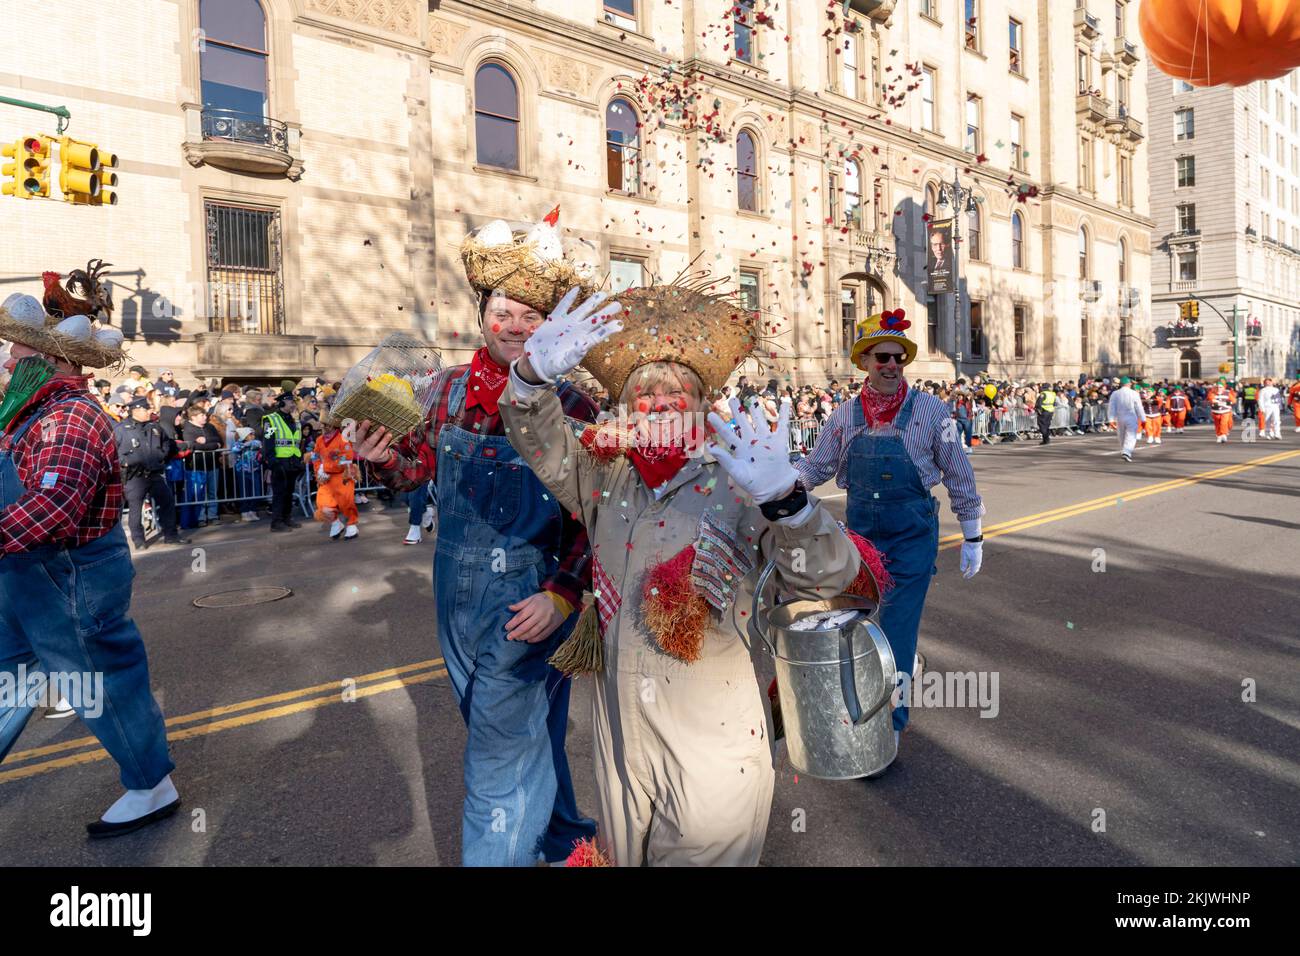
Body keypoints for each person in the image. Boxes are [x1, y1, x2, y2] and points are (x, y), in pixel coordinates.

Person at [500, 282, 861, 866]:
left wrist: (788, 501)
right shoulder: (602, 475)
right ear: (623, 406)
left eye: (679, 391)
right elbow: (538, 439)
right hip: (621, 745)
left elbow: (827, 579)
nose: (661, 401)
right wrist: (531, 377)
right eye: (645, 391)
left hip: (711, 745)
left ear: (703, 403)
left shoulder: (740, 480)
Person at [355, 209, 599, 866]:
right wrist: (382, 458)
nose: (517, 328)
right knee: (519, 732)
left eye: (532, 316)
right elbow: (417, 474)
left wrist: (563, 595)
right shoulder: (443, 389)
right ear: (482, 314)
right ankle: (569, 839)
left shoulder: (573, 405)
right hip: (454, 596)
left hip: (530, 596)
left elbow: (596, 515)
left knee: (496, 757)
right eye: (504, 313)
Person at [0, 289, 178, 837]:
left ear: (48, 359)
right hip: (28, 575)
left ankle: (152, 786)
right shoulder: (34, 413)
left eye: (15, 351)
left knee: (102, 682)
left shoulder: (69, 416)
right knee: (11, 678)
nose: (7, 360)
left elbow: (53, 509)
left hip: (68, 574)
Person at [799, 307, 984, 769]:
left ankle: (887, 727)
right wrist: (772, 485)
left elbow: (959, 473)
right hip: (859, 543)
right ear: (864, 361)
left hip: (910, 539)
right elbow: (816, 469)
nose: (891, 366)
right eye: (881, 357)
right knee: (855, 629)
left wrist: (973, 534)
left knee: (896, 634)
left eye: (898, 358)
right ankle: (858, 706)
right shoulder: (843, 416)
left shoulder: (931, 411)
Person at [113, 397, 189, 549]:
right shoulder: (121, 429)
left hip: (154, 474)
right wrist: (125, 462)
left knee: (167, 502)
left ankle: (171, 535)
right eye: (147, 409)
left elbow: (168, 444)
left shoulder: (154, 427)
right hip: (134, 476)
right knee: (136, 509)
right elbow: (112, 451)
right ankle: (139, 541)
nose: (150, 412)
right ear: (137, 410)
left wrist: (162, 455)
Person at [310, 413, 359, 540]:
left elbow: (346, 459)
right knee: (323, 505)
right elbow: (315, 456)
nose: (324, 427)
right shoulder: (319, 440)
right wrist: (318, 469)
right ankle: (335, 522)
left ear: (334, 426)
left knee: (346, 503)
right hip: (325, 479)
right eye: (323, 425)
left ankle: (352, 524)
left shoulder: (343, 439)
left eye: (327, 425)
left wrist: (325, 467)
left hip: (342, 477)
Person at [263, 393, 305, 531]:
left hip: (293, 460)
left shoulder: (294, 420)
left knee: (289, 492)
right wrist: (272, 461)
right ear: (281, 403)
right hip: (279, 461)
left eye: (293, 401)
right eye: (290, 401)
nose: (293, 404)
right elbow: (268, 441)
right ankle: (276, 522)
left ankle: (287, 518)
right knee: (279, 493)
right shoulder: (271, 419)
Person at [1107, 377, 1143, 462]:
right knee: (1131, 435)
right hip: (1131, 416)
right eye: (1130, 383)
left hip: (1120, 417)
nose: (1131, 384)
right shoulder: (1134, 393)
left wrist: (1111, 419)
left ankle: (1125, 451)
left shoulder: (1115, 393)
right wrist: (1143, 418)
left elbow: (1111, 407)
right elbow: (1139, 407)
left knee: (1121, 435)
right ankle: (1126, 452)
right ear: (1128, 384)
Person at [1209, 378, 1235, 443]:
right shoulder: (1212, 393)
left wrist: (1228, 403)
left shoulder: (1227, 392)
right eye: (1217, 387)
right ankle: (1219, 435)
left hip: (1225, 411)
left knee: (1224, 423)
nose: (1219, 389)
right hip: (1216, 412)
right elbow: (1211, 398)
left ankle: (1224, 434)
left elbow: (1233, 400)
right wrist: (1214, 401)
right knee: (1217, 424)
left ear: (1223, 387)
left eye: (1220, 387)